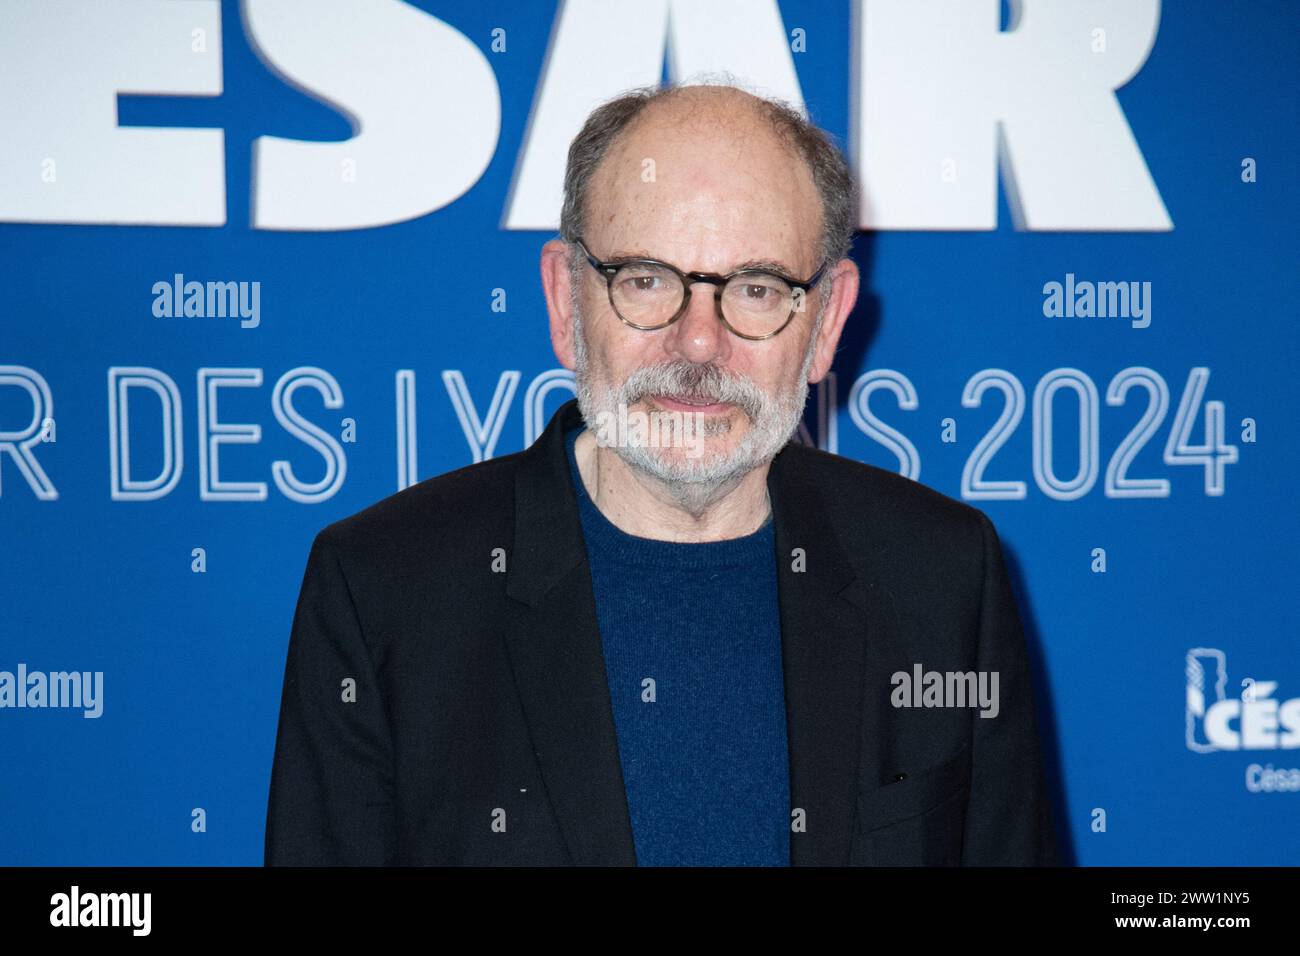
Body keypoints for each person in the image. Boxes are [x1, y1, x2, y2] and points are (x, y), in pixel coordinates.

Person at [264, 81, 1059, 866]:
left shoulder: (943, 576)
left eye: (756, 288)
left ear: (826, 323)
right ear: (565, 301)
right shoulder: (382, 591)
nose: (700, 344)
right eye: (646, 279)